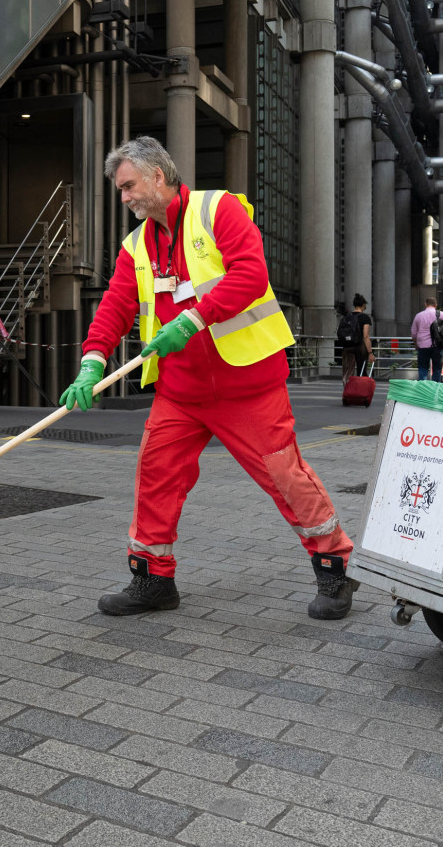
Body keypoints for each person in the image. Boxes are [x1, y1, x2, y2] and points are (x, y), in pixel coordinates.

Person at [60, 137, 357, 621]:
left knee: (285, 476)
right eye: (120, 190)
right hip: (180, 392)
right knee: (155, 479)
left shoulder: (218, 210)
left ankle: (333, 568)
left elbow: (250, 275)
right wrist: (92, 360)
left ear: (159, 175)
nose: (125, 198)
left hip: (248, 384)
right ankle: (153, 579)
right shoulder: (136, 245)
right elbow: (116, 305)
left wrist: (193, 320)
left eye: (129, 186)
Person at [411, 296, 443, 382]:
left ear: (425, 304)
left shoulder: (418, 316)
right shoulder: (442, 314)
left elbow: (413, 333)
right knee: (437, 368)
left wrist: (416, 344)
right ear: (436, 305)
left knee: (423, 367)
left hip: (422, 346)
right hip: (438, 345)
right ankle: (435, 388)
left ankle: (423, 388)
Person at [336, 295, 371, 379]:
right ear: (363, 305)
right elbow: (366, 336)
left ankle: (348, 389)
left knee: (347, 370)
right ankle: (360, 389)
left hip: (347, 345)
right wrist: (370, 353)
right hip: (360, 346)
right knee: (361, 369)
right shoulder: (365, 318)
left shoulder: (346, 317)